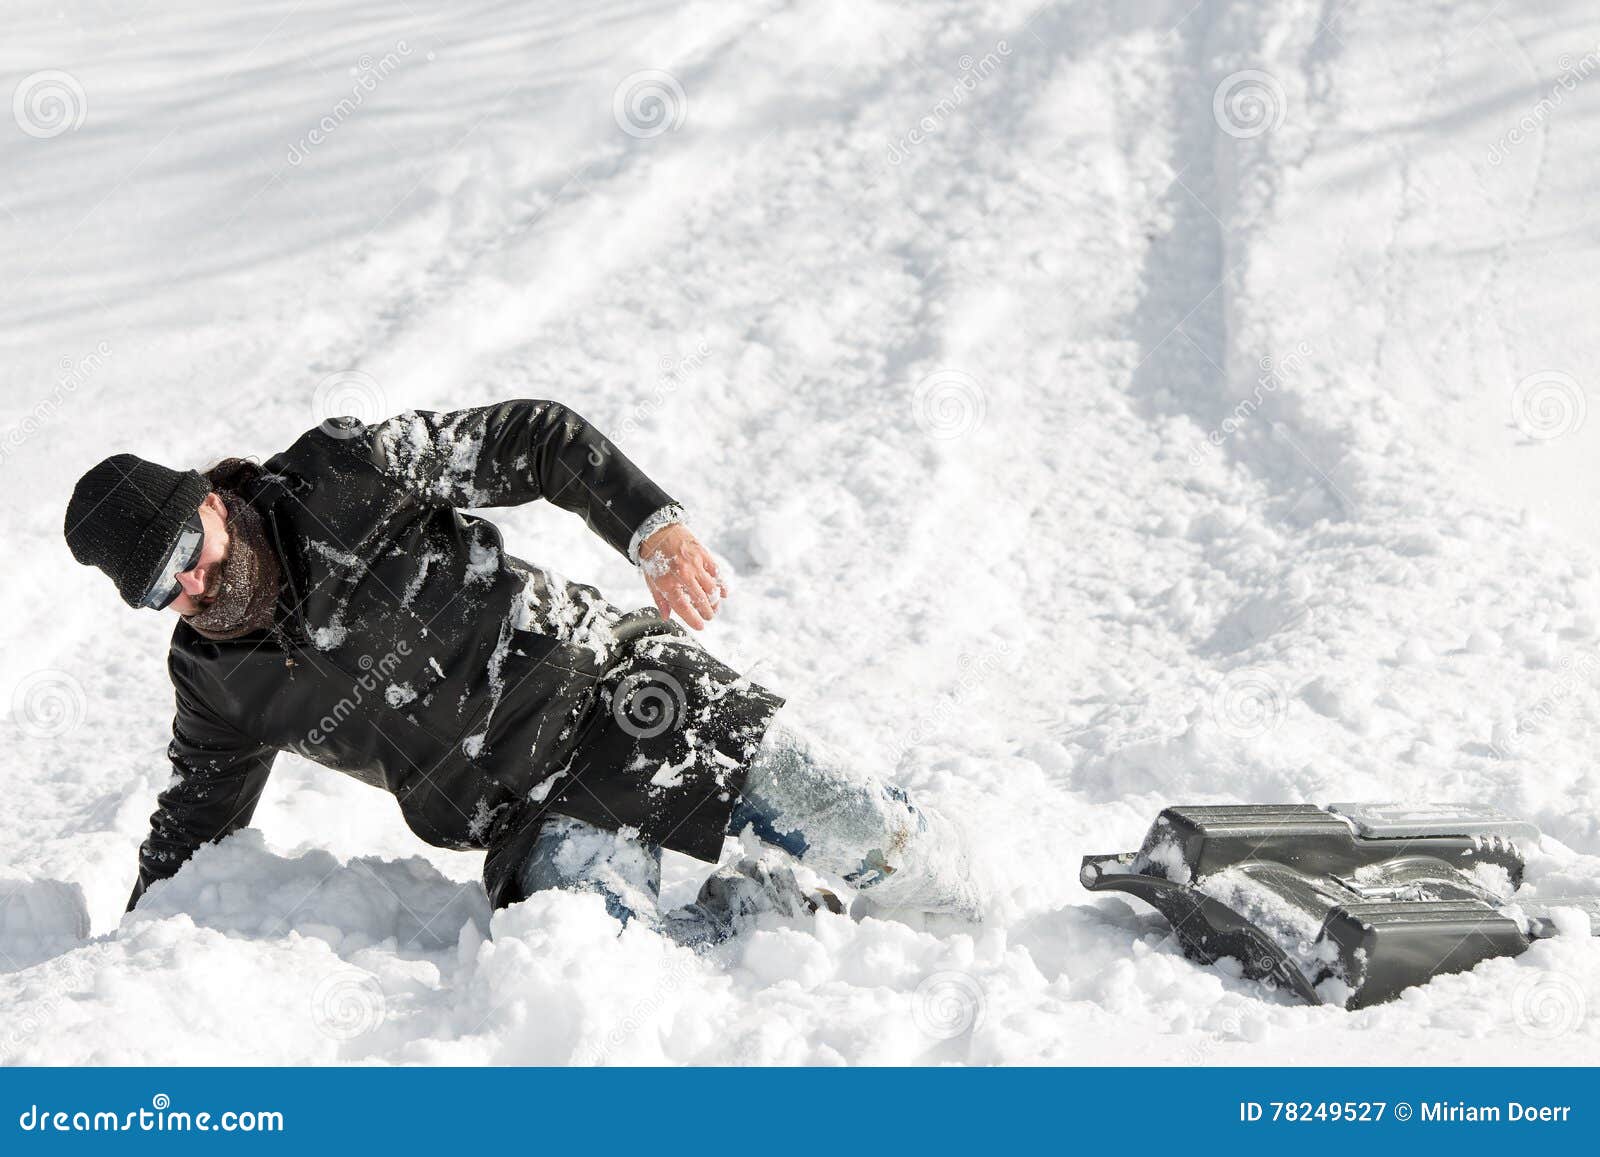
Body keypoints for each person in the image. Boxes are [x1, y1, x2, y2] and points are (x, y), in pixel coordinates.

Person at [63, 400, 980, 942]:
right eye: (158, 587)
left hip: (617, 690)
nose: (191, 579)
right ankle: (783, 918)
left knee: (852, 820)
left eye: (188, 543)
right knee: (629, 971)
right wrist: (133, 949)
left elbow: (532, 438)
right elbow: (195, 820)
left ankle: (991, 915)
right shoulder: (216, 679)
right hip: (531, 822)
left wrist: (647, 525)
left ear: (212, 502)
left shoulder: (342, 473)